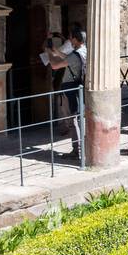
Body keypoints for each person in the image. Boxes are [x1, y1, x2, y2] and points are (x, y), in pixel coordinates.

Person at [47, 27, 87, 157]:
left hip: (71, 88)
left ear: (75, 39)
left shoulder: (75, 56)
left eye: (71, 38)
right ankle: (80, 148)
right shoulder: (83, 51)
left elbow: (54, 65)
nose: (69, 40)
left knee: (73, 118)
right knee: (79, 116)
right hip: (79, 87)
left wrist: (49, 53)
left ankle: (78, 150)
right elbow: (66, 57)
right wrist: (56, 52)